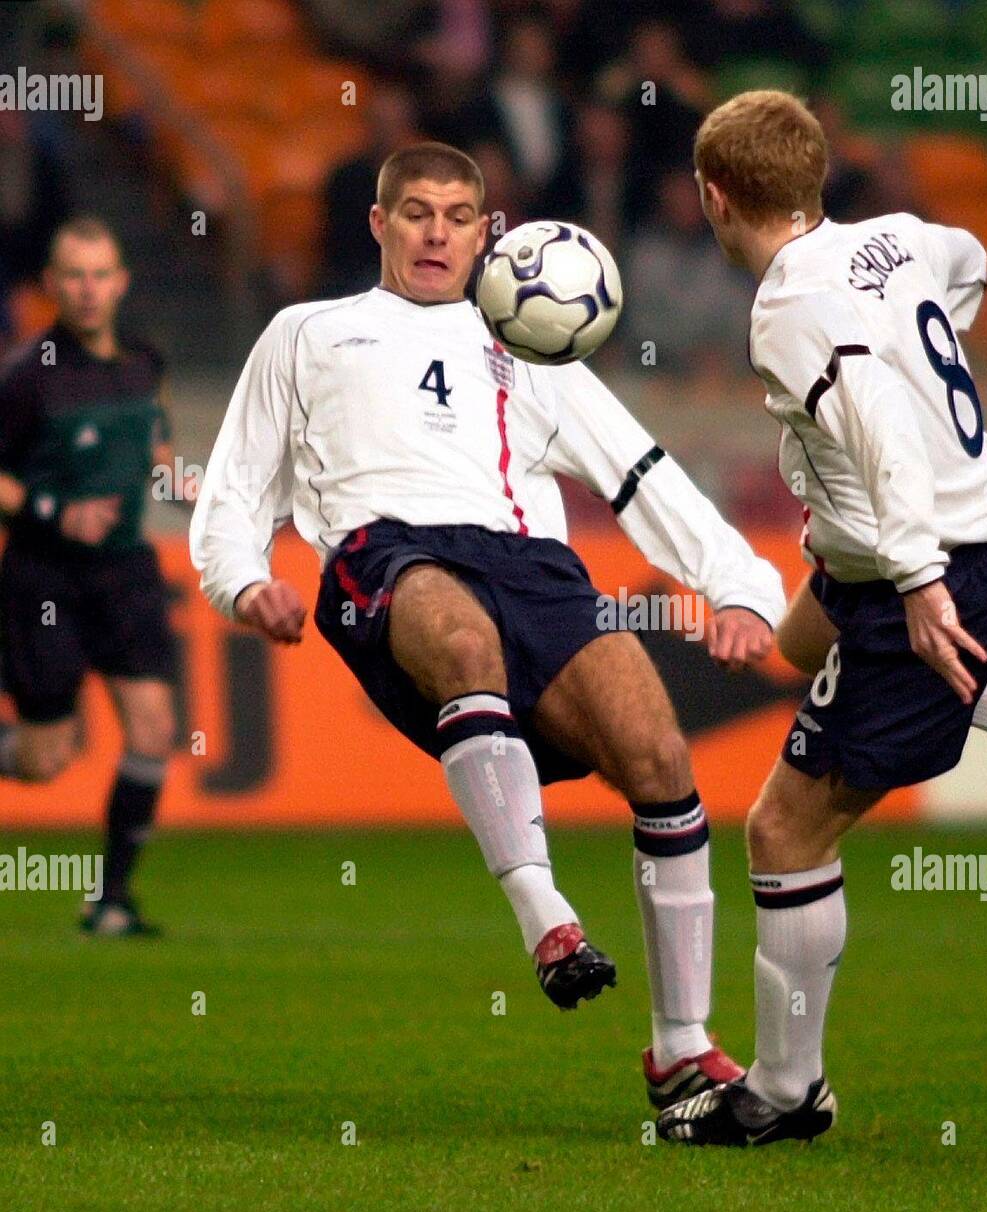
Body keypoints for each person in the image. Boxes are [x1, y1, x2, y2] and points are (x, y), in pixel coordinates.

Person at [189, 141, 786, 1110]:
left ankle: (680, 1048)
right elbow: (232, 491)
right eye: (415, 212)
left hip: (531, 565)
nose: (435, 231)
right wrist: (242, 582)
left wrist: (741, 586)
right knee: (464, 644)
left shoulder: (526, 341)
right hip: (383, 554)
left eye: (457, 215)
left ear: (484, 233)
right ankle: (545, 916)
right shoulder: (307, 333)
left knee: (659, 750)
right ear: (379, 224)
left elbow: (637, 471)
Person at [657, 91, 987, 1147]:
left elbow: (875, 418)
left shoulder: (786, 306)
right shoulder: (891, 239)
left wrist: (921, 585)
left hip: (923, 565)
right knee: (788, 646)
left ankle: (786, 1092)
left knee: (783, 829)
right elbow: (966, 259)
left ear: (714, 196)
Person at [0, 217, 177, 936]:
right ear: (50, 286)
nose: (88, 289)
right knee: (48, 757)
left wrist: (186, 481)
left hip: (126, 571)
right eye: (74, 275)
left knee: (154, 729)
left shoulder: (143, 359)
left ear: (121, 281)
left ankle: (110, 899)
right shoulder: (25, 376)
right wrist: (56, 511)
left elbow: (156, 442)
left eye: (101, 274)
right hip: (43, 579)